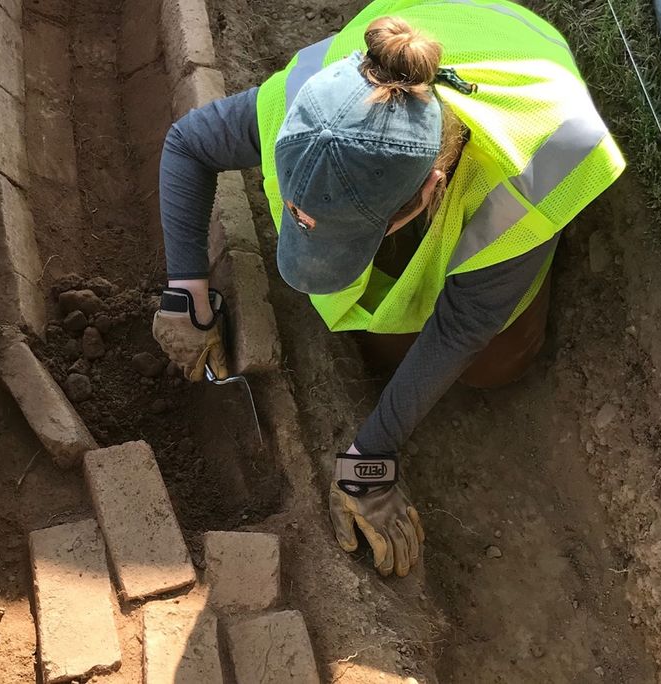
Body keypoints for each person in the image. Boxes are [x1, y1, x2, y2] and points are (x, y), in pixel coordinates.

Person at [152, 0, 625, 577]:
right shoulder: (311, 106)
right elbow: (187, 145)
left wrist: (371, 459)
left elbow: (463, 324)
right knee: (377, 333)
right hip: (437, 27)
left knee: (496, 366)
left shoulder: (522, 182)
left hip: (530, 86)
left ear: (428, 190)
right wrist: (187, 293)